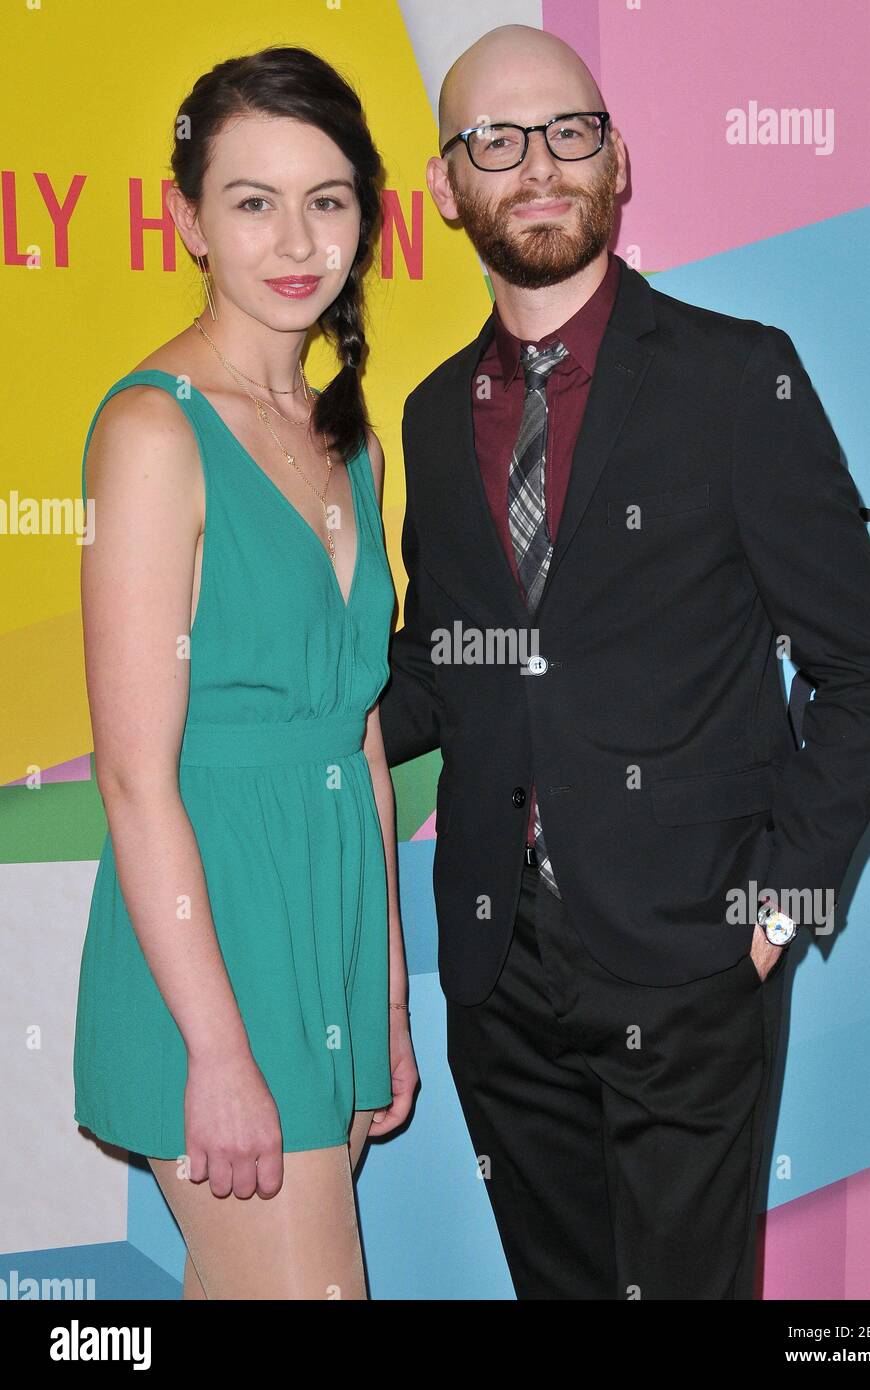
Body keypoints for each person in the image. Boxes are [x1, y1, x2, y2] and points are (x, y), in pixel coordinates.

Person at [378, 24, 870, 1299]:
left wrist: (773, 914)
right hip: (495, 971)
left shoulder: (737, 379)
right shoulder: (430, 414)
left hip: (691, 963)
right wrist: (275, 704)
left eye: (568, 132)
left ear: (616, 161)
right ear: (445, 185)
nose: (538, 165)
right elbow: (443, 670)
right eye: (494, 140)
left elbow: (867, 676)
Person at [73, 46, 418, 1300]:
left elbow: (360, 736)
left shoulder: (346, 440)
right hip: (213, 934)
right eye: (252, 201)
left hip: (329, 922)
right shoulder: (152, 429)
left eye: (326, 200)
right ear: (188, 221)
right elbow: (132, 777)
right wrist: (215, 1050)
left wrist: (386, 993)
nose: (296, 240)